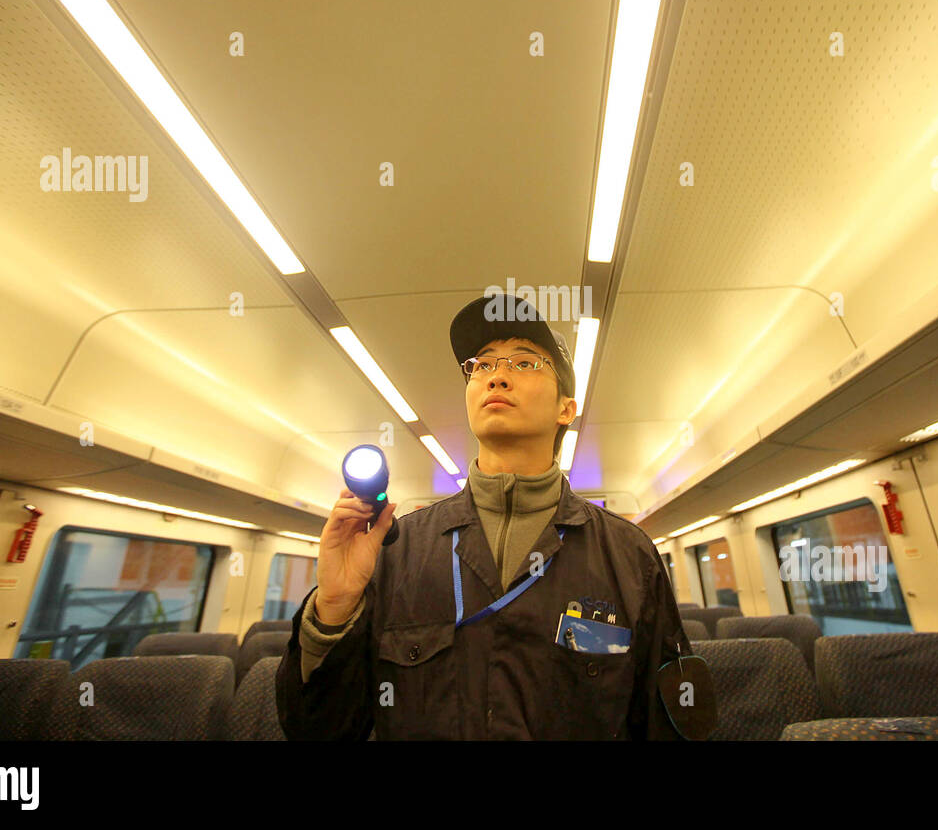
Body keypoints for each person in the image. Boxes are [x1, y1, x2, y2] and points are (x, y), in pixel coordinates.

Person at [275, 293, 692, 739]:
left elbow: (667, 724)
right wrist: (334, 611)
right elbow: (319, 731)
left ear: (565, 409)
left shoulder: (628, 556)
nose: (496, 377)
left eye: (525, 363)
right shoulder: (396, 548)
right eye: (482, 365)